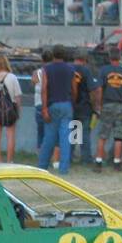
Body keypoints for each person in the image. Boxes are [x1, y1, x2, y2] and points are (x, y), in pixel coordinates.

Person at [38, 46, 79, 174]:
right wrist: (72, 101)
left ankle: (42, 166)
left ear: (53, 55)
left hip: (52, 104)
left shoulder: (47, 69)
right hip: (66, 104)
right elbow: (74, 89)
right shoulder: (71, 69)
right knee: (65, 138)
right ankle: (63, 168)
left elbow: (44, 89)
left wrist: (44, 108)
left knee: (49, 137)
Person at [93, 50, 122, 171]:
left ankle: (98, 162)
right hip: (121, 106)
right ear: (120, 58)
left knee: (103, 135)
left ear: (109, 58)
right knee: (119, 137)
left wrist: (98, 106)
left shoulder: (103, 71)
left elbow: (99, 89)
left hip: (107, 105)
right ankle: (117, 163)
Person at [71, 50, 100, 164]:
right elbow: (92, 90)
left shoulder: (69, 69)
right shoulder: (86, 71)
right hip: (84, 107)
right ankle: (86, 159)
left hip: (72, 106)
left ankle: (70, 157)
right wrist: (94, 106)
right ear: (84, 60)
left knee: (73, 134)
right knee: (85, 135)